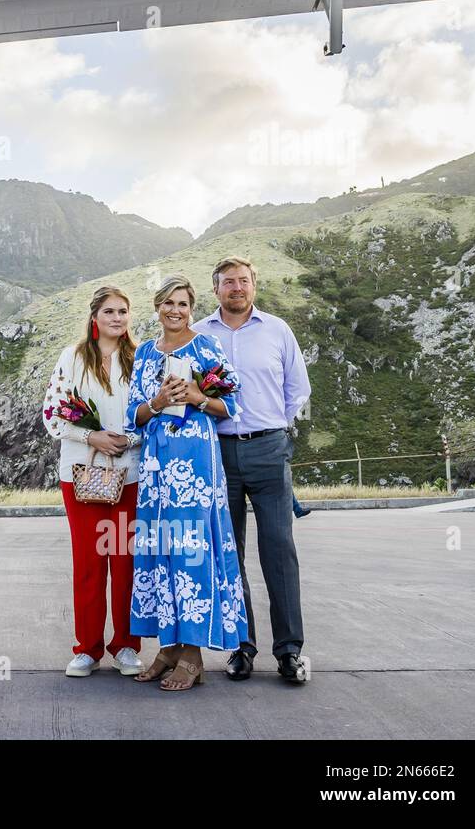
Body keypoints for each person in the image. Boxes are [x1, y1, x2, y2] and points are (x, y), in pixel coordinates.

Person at [124, 274, 248, 691]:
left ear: (191, 308)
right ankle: (167, 646)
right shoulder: (143, 352)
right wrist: (156, 404)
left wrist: (197, 397)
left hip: (195, 466)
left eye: (183, 304)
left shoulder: (207, 347)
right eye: (168, 303)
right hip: (156, 467)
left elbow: (231, 404)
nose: (175, 310)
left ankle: (192, 654)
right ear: (157, 307)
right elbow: (132, 416)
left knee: (191, 549)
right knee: (160, 549)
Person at [198, 257, 310, 684]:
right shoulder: (202, 334)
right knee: (231, 554)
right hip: (218, 454)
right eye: (229, 282)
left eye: (243, 281)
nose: (237, 288)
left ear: (253, 287)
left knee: (279, 550)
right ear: (217, 290)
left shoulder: (278, 330)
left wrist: (263, 424)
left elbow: (297, 389)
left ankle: (289, 652)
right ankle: (241, 648)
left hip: (267, 448)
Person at [42, 285, 144, 677]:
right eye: (109, 312)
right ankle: (87, 648)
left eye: (123, 311)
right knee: (88, 562)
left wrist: (127, 439)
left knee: (125, 562)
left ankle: (126, 647)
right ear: (94, 317)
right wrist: (91, 436)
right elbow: (53, 414)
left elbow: (150, 411)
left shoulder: (140, 360)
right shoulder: (72, 358)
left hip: (129, 473)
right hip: (81, 474)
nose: (117, 318)